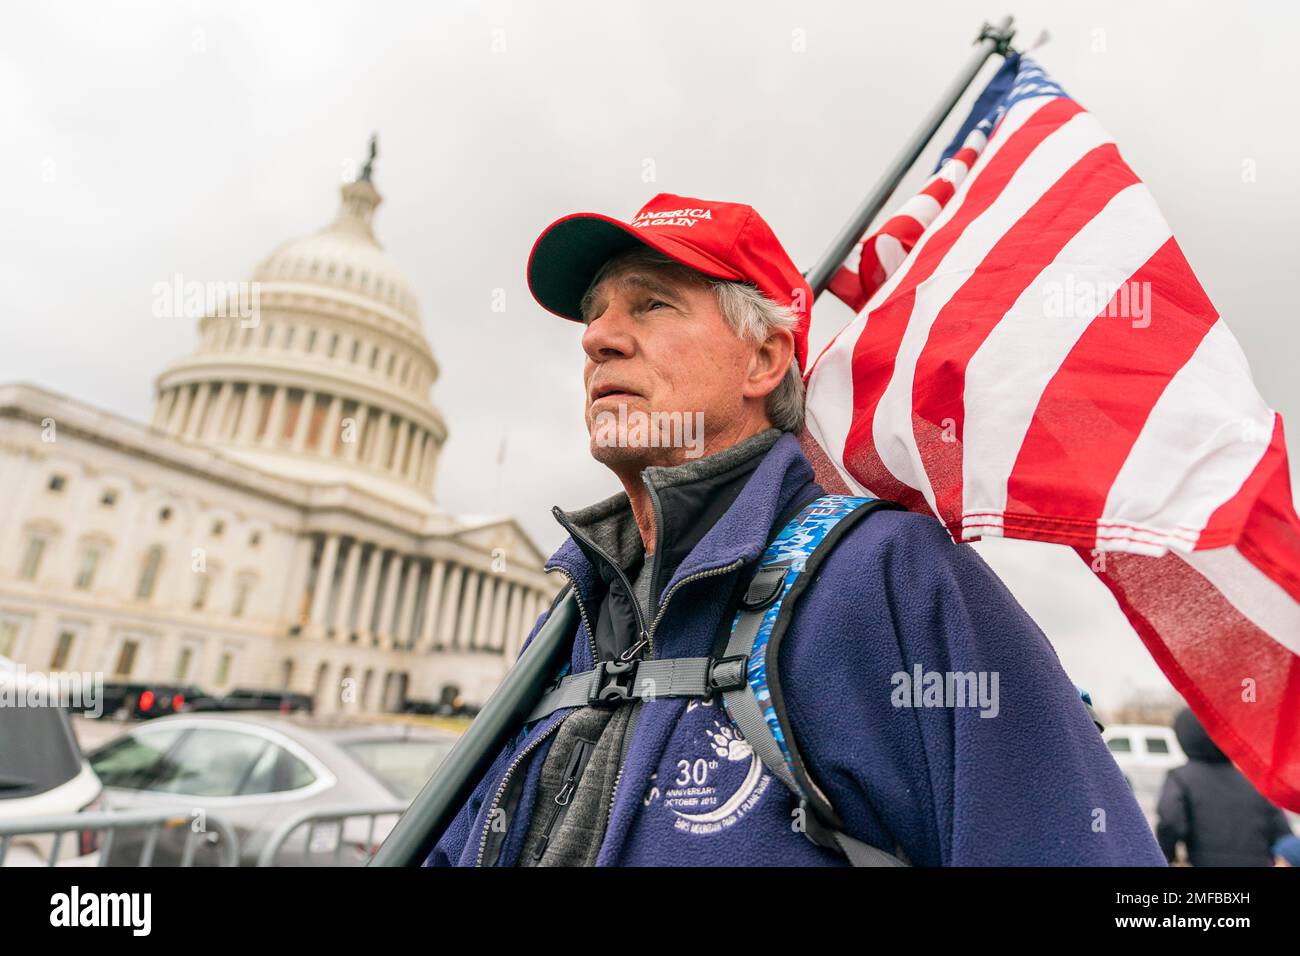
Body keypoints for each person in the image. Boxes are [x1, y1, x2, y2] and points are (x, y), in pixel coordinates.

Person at [426, 193, 1164, 866]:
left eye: (651, 305)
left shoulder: (895, 581)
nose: (599, 340)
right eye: (595, 313)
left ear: (765, 359)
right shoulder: (572, 618)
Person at [1156, 706, 1293, 866]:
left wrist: (1167, 856)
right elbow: (1282, 832)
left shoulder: (1181, 777)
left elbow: (1170, 821)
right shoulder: (1253, 779)